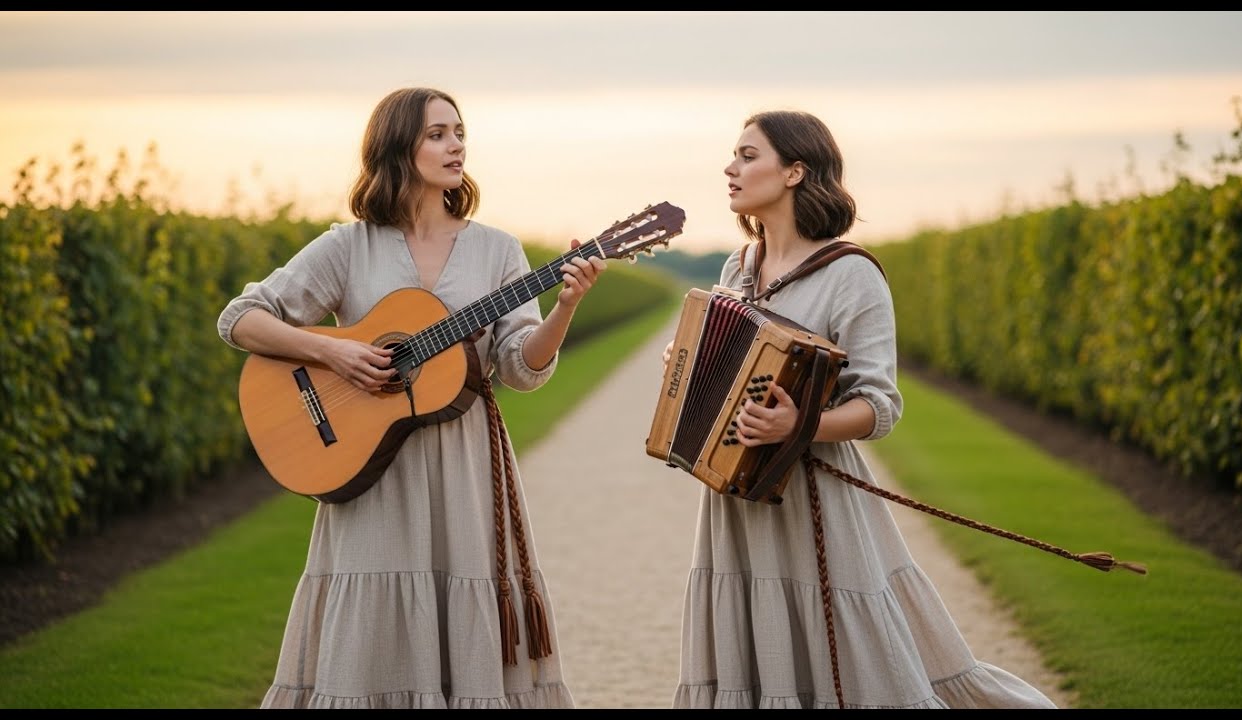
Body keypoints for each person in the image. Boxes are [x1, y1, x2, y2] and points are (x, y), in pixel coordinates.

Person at [217, 87, 605, 708]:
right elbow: (240, 318)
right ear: (399, 146)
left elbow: (521, 366)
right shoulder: (349, 246)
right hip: (370, 472)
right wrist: (333, 351)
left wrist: (564, 307)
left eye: (460, 133)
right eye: (438, 134)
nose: (457, 145)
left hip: (464, 465)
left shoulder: (498, 249)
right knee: (371, 618)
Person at [661, 110, 1056, 709]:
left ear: (795, 171)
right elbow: (721, 369)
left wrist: (798, 426)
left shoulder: (851, 275)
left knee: (847, 658)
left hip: (813, 501)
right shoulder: (735, 270)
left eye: (747, 155)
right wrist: (686, 364)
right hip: (731, 499)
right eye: (734, 155)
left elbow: (880, 405)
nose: (730, 167)